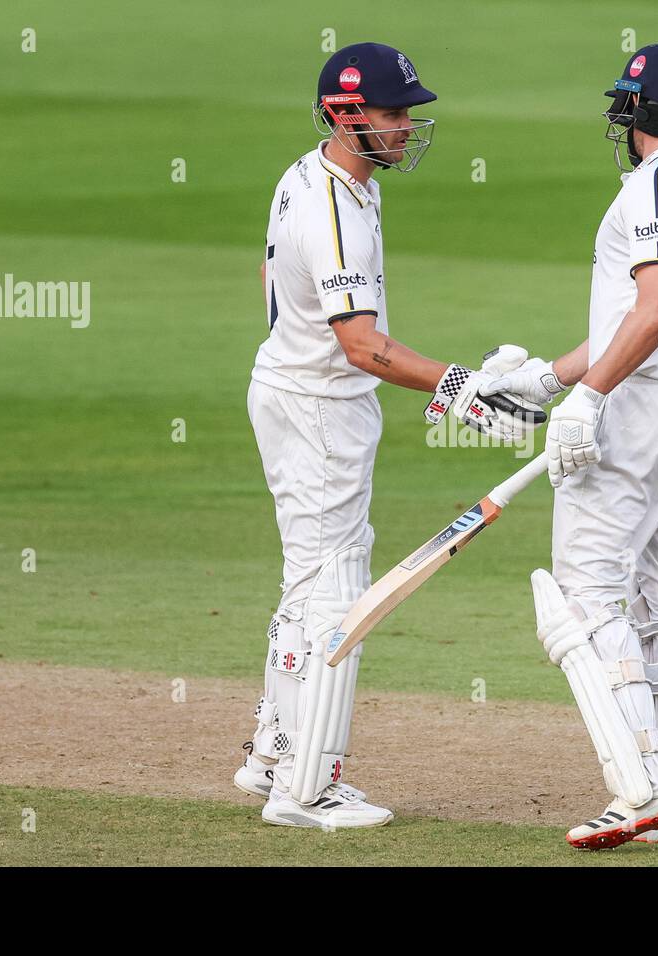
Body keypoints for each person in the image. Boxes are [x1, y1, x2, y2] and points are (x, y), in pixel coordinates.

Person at [236, 42, 538, 829]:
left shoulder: (318, 176)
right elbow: (361, 345)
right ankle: (307, 788)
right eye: (393, 113)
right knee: (335, 589)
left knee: (311, 578)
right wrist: (456, 385)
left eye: (409, 112)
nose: (407, 127)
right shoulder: (333, 205)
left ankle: (274, 750)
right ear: (345, 114)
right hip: (317, 409)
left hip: (299, 393)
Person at [484, 41, 658, 848]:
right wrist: (550, 381)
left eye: (626, 105)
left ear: (648, 114)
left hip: (639, 412)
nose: (618, 119)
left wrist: (588, 399)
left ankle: (646, 784)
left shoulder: (655, 183)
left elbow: (654, 306)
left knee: (588, 595)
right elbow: (639, 319)